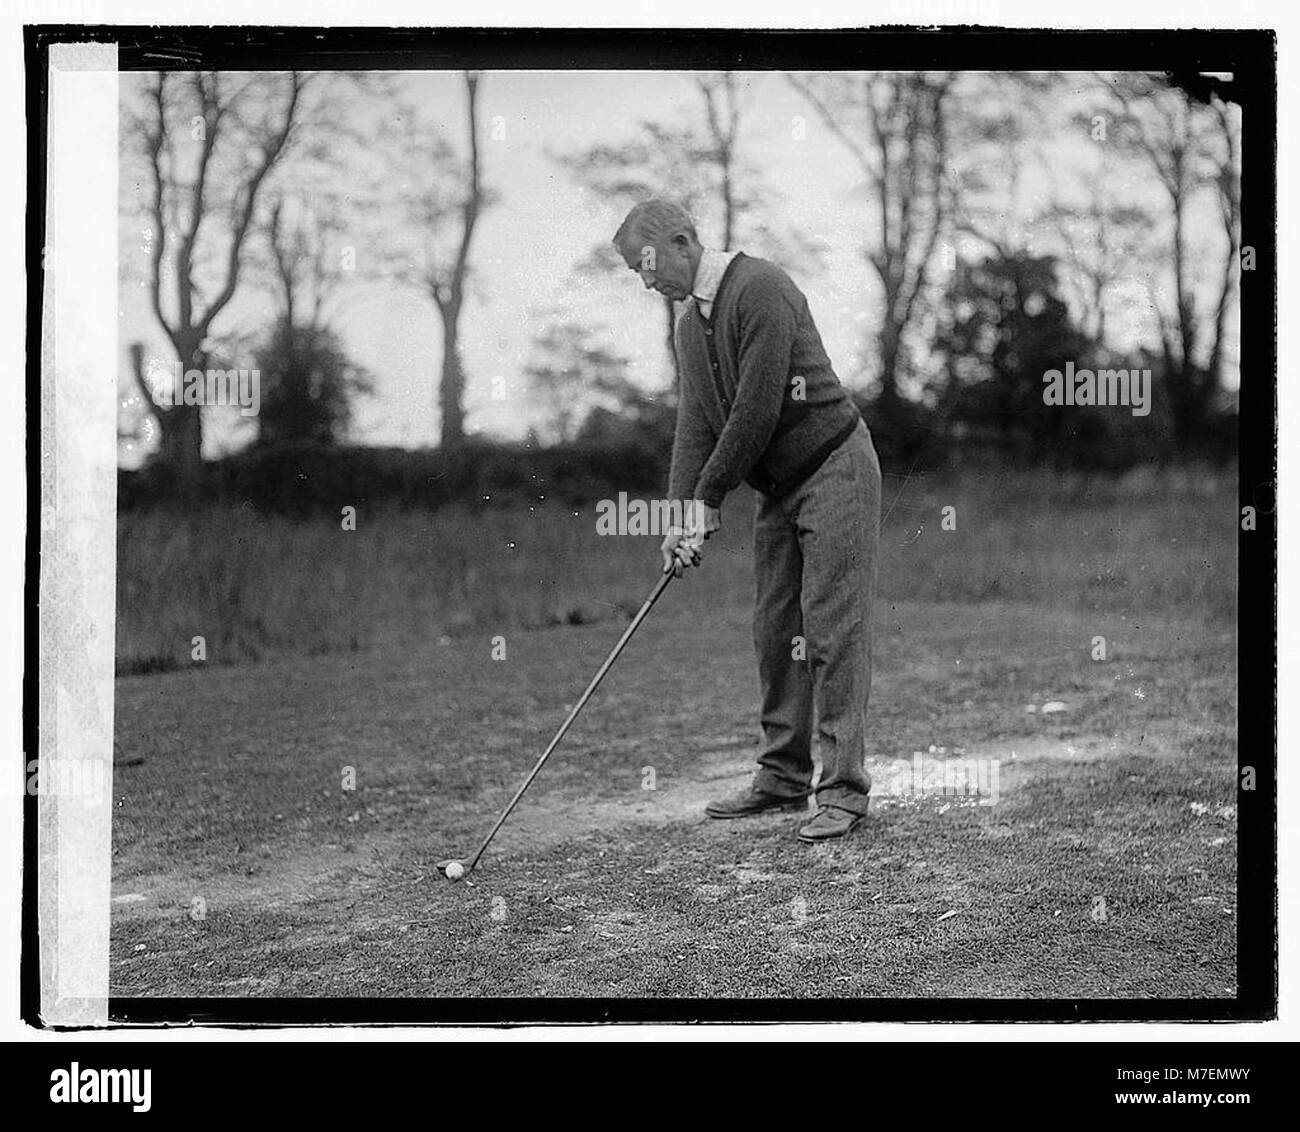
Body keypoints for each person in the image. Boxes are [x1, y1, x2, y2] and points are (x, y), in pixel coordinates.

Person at [612, 198, 883, 842]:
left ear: (683, 242)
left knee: (829, 627)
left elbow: (757, 412)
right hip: (777, 487)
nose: (646, 281)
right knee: (773, 629)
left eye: (647, 265)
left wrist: (708, 499)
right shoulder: (687, 326)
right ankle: (784, 776)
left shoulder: (762, 287)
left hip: (833, 465)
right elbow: (698, 423)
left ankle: (843, 789)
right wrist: (681, 514)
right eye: (635, 274)